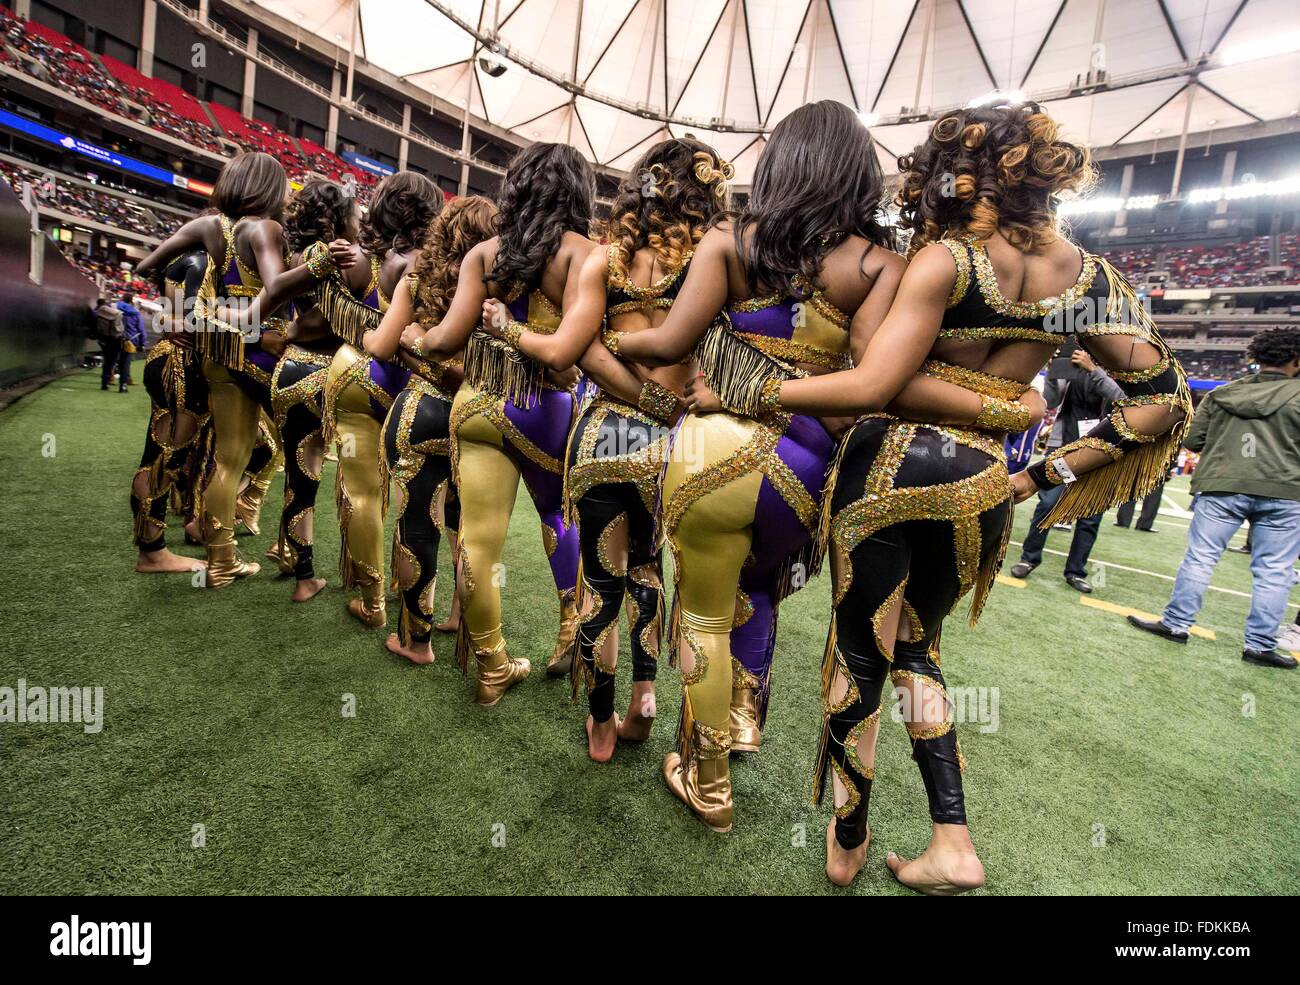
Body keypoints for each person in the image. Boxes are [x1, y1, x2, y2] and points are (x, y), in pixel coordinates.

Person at [720, 101, 1189, 891]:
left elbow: (876, 382)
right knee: (919, 650)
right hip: (981, 487)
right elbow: (1166, 402)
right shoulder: (1087, 279)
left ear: (958, 174)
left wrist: (762, 386)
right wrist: (1036, 470)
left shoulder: (944, 261)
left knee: (860, 650)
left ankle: (847, 840)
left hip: (889, 472)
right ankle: (953, 843)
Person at [613, 102, 910, 829]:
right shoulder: (877, 265)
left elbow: (670, 341)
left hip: (709, 449)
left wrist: (614, 341)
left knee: (703, 614)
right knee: (763, 583)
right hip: (803, 470)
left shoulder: (728, 241)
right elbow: (859, 403)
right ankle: (742, 718)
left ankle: (707, 779)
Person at [479, 137, 725, 760]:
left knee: (599, 581)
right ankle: (645, 705)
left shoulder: (605, 260)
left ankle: (599, 722)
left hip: (601, 435)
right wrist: (664, 404)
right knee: (647, 572)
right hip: (669, 445)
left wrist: (510, 330)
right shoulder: (710, 262)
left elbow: (565, 350)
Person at [401, 142, 592, 705]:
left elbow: (444, 339)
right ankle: (570, 632)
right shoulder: (583, 255)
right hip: (545, 407)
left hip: (479, 402)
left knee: (478, 541)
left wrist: (416, 337)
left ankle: (492, 665)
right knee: (559, 515)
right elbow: (571, 354)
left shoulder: (484, 254)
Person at [135, 151, 296, 587]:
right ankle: (154, 552)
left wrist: (178, 318)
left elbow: (145, 266)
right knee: (170, 456)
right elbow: (275, 288)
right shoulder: (259, 231)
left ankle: (203, 539)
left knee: (192, 455)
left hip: (196, 356)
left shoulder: (210, 229)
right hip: (198, 361)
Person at [364, 195, 497, 664]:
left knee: (418, 523)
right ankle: (464, 621)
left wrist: (387, 339)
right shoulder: (499, 286)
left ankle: (415, 640)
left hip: (421, 411)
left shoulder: (416, 278)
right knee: (471, 528)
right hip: (478, 420)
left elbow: (381, 346)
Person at [1129, 327, 1300, 669]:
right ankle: (1260, 646)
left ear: (1256, 358)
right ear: (1296, 361)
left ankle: (1176, 624)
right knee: (1274, 571)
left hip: (1221, 485)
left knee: (1200, 558)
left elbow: (1192, 440)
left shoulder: (1223, 393)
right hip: (1285, 490)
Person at [323, 171, 445, 627]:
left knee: (360, 491)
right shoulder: (427, 263)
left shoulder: (355, 257)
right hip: (408, 384)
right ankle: (409, 600)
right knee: (417, 496)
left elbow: (331, 308)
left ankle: (371, 600)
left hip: (353, 371)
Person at [1009, 344, 1124, 592]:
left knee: (1090, 515)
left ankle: (1075, 571)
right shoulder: (1070, 364)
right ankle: (1029, 558)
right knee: (1048, 504)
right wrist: (1054, 371)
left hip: (1101, 451)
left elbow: (1120, 397)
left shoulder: (1116, 367)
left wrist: (1093, 370)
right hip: (1065, 446)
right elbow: (1051, 400)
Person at [129, 252, 210, 574]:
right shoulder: (201, 262)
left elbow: (177, 314)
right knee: (164, 459)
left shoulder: (189, 260)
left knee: (163, 456)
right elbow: (198, 320)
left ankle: (156, 546)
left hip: (172, 359)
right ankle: (152, 552)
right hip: (182, 366)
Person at [94, 296, 126, 391]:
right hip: (117, 340)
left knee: (108, 362)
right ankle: (122, 386)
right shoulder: (119, 314)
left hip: (105, 340)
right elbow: (120, 329)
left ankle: (104, 384)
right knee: (122, 363)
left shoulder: (100, 313)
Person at [117, 295, 146, 386]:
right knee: (125, 362)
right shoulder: (135, 313)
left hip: (115, 337)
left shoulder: (115, 308)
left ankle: (107, 381)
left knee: (112, 360)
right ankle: (124, 384)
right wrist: (142, 343)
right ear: (131, 301)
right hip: (130, 340)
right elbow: (141, 329)